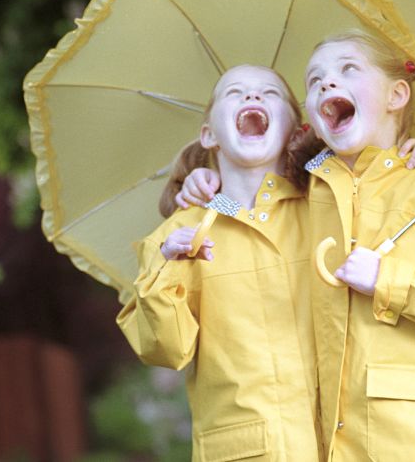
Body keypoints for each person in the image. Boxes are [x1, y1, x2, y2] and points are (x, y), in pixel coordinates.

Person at [180, 31, 415, 461]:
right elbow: (256, 221)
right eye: (314, 80)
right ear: (309, 119)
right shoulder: (311, 195)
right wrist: (207, 184)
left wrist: (390, 281)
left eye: (348, 69)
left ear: (397, 94)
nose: (327, 83)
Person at [116, 64, 323, 462]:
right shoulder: (177, 237)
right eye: (235, 93)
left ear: (297, 133)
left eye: (271, 93)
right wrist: (168, 269)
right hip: (246, 449)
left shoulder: (329, 207)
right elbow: (166, 351)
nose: (252, 97)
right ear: (209, 134)